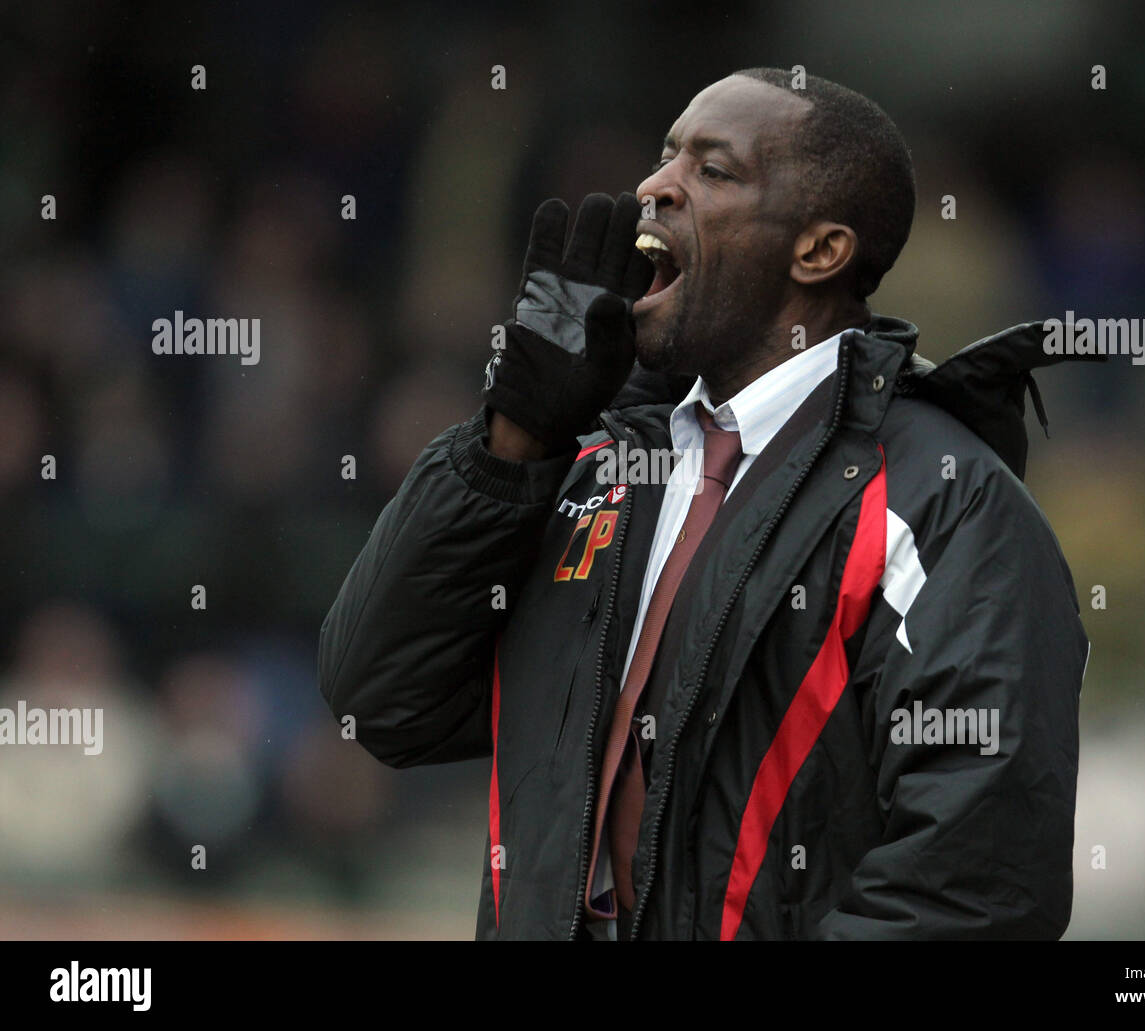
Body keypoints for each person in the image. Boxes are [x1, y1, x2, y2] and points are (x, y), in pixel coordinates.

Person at [318, 67, 1091, 940]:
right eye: (666, 155)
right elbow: (382, 698)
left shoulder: (944, 503)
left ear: (819, 251)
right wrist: (512, 445)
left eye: (712, 170)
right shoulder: (593, 464)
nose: (655, 186)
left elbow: (978, 888)